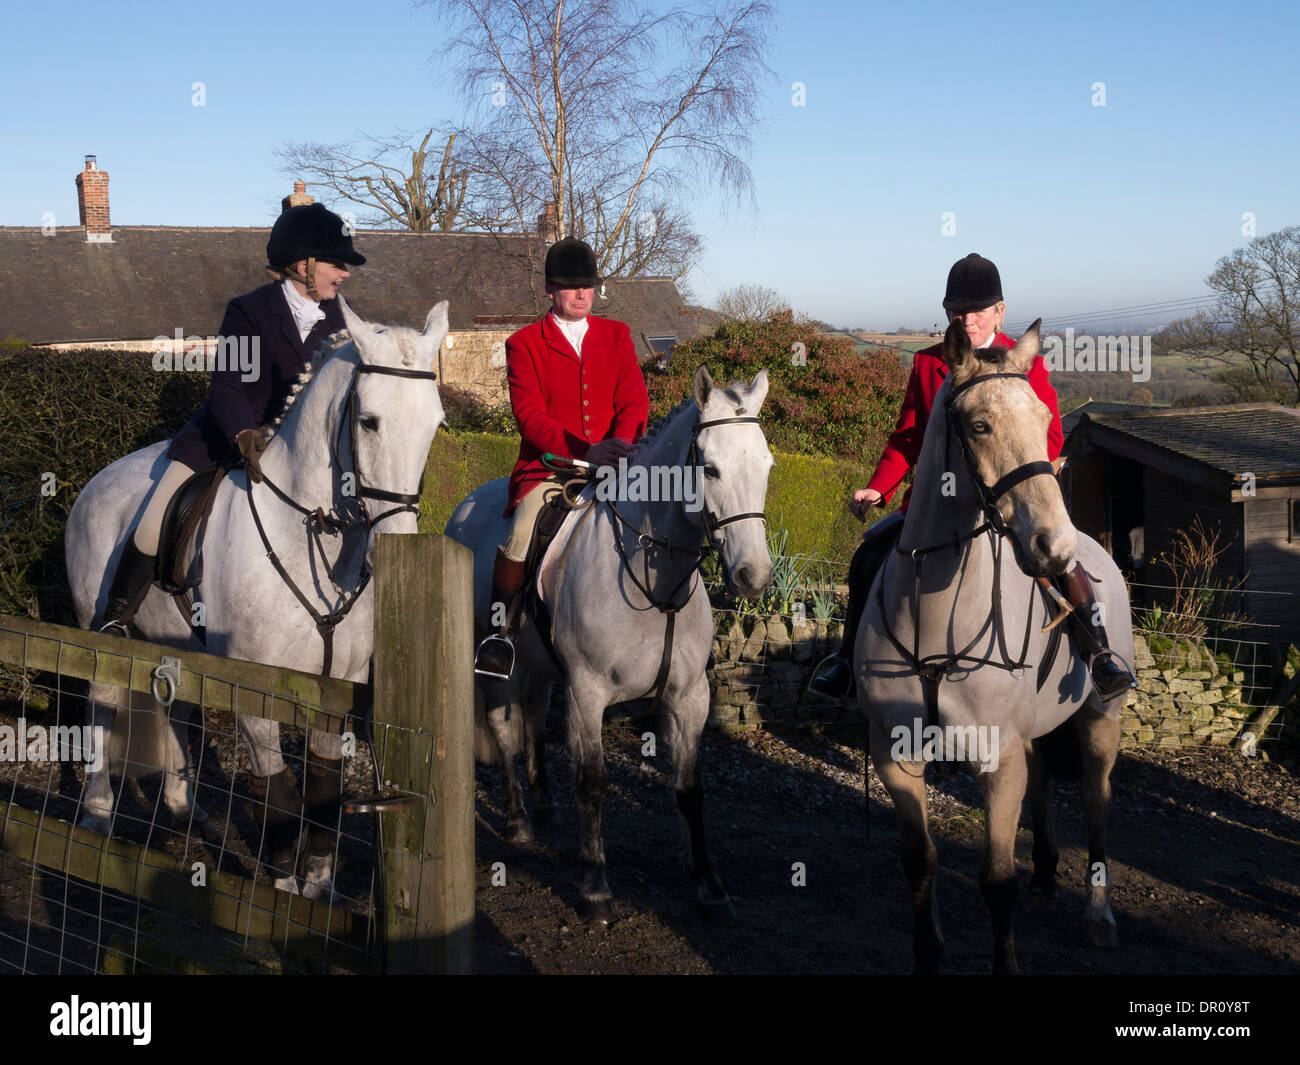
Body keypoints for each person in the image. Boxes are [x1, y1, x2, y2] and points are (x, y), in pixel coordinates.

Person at [809, 252, 1135, 701]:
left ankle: (1099, 655)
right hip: (939, 504)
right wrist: (878, 486)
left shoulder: (1026, 364)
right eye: (956, 312)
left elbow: (1053, 435)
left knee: (1066, 558)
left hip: (1015, 501)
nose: (966, 320)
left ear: (999, 311)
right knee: (869, 554)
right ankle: (847, 662)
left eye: (977, 311)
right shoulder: (928, 365)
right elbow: (909, 436)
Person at [97, 202, 366, 637]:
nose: (346, 274)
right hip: (224, 439)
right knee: (156, 515)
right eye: (337, 264)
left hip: (301, 451)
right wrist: (244, 431)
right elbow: (226, 385)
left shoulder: (341, 318)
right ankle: (117, 614)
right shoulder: (248, 310)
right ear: (304, 265)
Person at [474, 236, 649, 678]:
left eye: (588, 286)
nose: (581, 294)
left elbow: (634, 401)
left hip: (618, 463)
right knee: (522, 531)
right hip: (552, 469)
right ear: (550, 290)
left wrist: (620, 446)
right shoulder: (524, 344)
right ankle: (500, 634)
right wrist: (586, 450)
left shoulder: (618, 335)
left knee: (664, 515)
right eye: (571, 287)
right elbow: (530, 417)